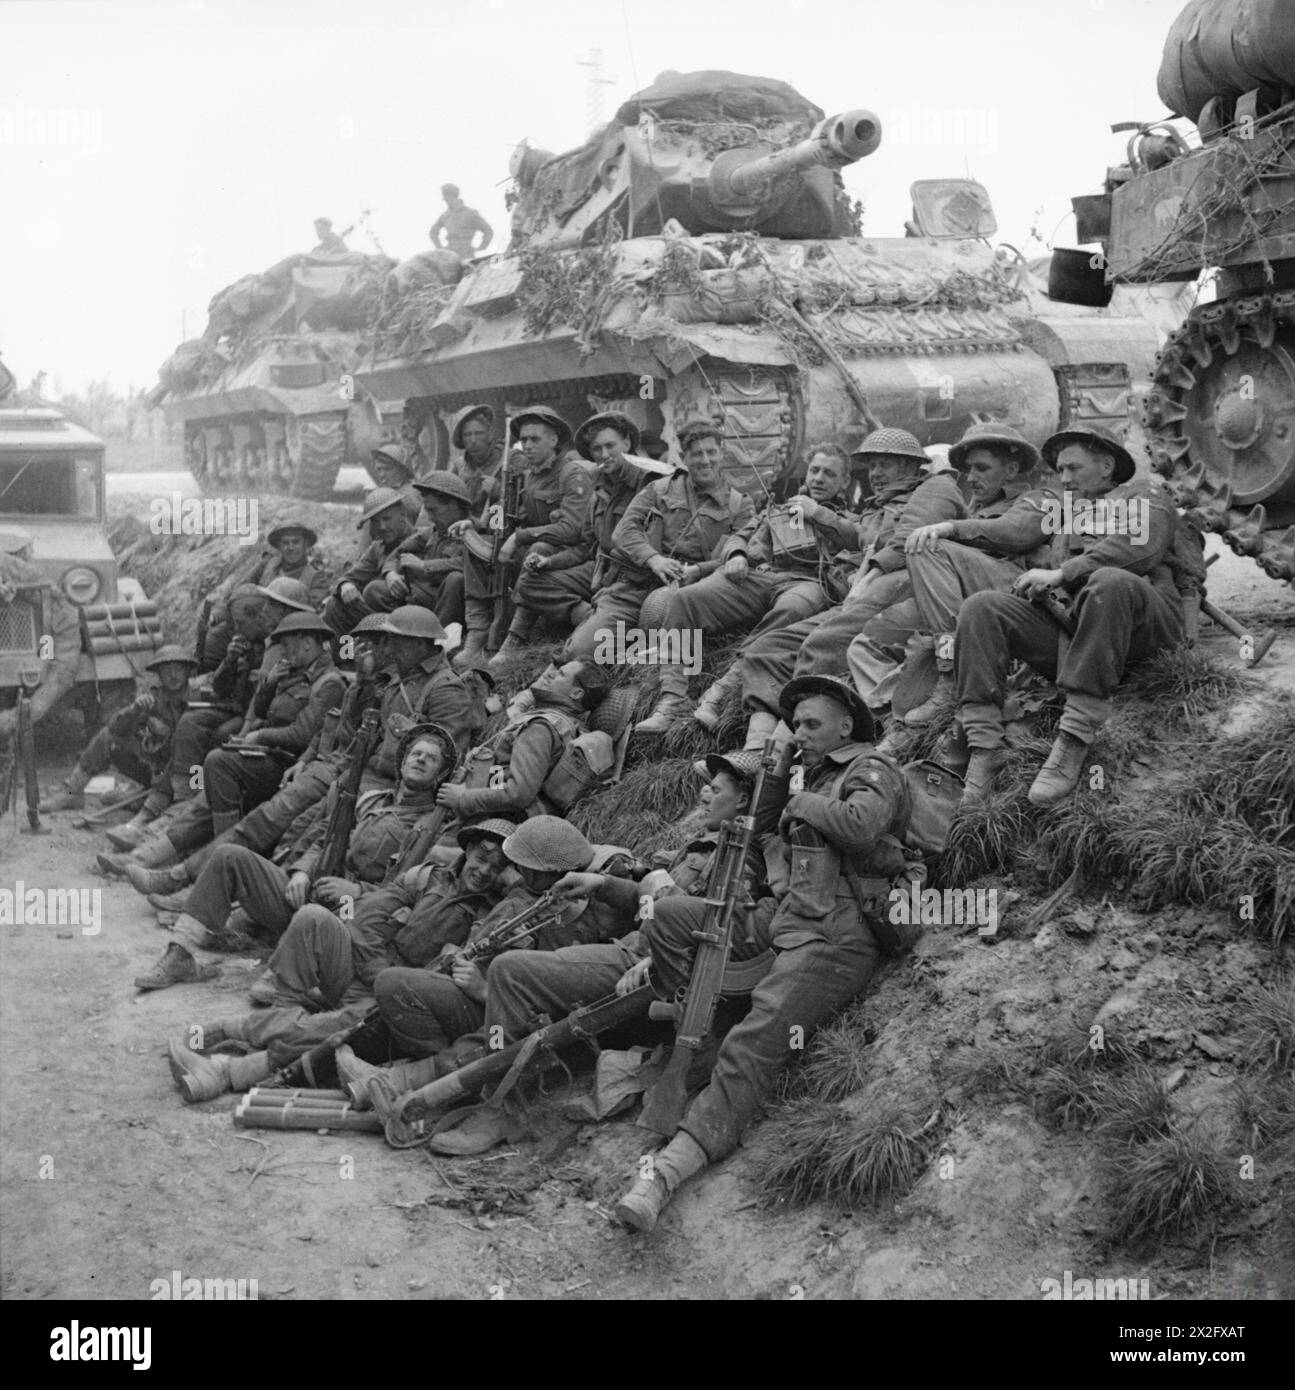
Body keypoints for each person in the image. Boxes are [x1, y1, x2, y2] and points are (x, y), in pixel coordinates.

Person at [615, 675, 916, 1232]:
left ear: (846, 726)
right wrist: (779, 769)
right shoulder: (814, 773)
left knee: (757, 1039)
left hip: (836, 934)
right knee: (680, 924)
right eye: (794, 723)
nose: (800, 733)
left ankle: (666, 1171)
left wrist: (800, 796)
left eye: (811, 724)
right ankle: (696, 1032)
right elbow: (760, 831)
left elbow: (861, 824)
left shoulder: (871, 769)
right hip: (790, 923)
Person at [162, 819, 515, 1102]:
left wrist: (390, 983)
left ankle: (233, 1041)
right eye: (481, 859)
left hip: (393, 999)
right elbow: (365, 922)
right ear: (467, 850)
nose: (483, 871)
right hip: (367, 969)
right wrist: (381, 972)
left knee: (337, 1026)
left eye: (496, 867)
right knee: (313, 917)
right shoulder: (429, 876)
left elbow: (442, 980)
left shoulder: (491, 913)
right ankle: (269, 1024)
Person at [954, 425, 1194, 806]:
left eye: (1073, 468)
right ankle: (985, 748)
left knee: (1109, 580)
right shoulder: (1068, 515)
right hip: (1082, 637)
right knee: (982, 608)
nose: (1064, 478)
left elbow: (1140, 547)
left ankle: (1074, 738)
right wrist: (1040, 587)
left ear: (1106, 465)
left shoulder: (1145, 495)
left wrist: (1063, 573)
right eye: (1059, 470)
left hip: (1146, 630)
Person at [133, 724, 460, 991]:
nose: (419, 760)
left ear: (441, 775)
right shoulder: (371, 802)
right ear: (401, 764)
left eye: (430, 759)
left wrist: (358, 893)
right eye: (415, 753)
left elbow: (415, 894)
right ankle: (180, 954)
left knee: (318, 918)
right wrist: (302, 870)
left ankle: (285, 977)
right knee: (229, 855)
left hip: (356, 917)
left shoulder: (434, 828)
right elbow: (324, 839)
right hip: (310, 892)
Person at [336, 817, 636, 1098]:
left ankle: (407, 1080)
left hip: (510, 1014)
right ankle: (402, 1072)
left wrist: (483, 990)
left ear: (531, 870)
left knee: (395, 985)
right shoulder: (585, 902)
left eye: (517, 864)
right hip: (506, 1007)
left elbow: (528, 992)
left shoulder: (528, 908)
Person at [730, 427, 965, 749]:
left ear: (912, 468)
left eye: (886, 464)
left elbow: (893, 543)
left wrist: (825, 521)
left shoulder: (926, 495)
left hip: (893, 594)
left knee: (820, 645)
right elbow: (859, 536)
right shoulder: (873, 506)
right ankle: (755, 747)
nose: (876, 473)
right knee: (768, 649)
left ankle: (782, 753)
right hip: (855, 596)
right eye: (872, 466)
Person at [634, 441, 862, 734]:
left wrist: (817, 513)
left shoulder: (854, 519)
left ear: (845, 482)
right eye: (814, 470)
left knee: (792, 609)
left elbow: (857, 540)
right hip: (761, 576)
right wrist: (737, 555)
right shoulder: (780, 507)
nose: (818, 478)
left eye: (829, 474)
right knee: (685, 600)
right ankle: (671, 699)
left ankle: (721, 690)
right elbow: (739, 535)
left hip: (808, 584)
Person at [845, 422, 1056, 730]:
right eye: (969, 469)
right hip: (957, 602)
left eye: (982, 468)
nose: (971, 478)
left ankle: (949, 676)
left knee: (924, 546)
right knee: (866, 644)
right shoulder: (971, 511)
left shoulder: (1041, 499)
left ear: (1011, 470)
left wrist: (951, 528)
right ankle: (895, 723)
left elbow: (1018, 533)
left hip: (1008, 595)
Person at [566, 419, 757, 666]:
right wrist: (654, 559)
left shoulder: (740, 505)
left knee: (675, 663)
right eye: (697, 454)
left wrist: (698, 571)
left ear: (722, 454)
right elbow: (624, 531)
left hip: (694, 596)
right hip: (636, 587)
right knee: (582, 651)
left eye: (711, 452)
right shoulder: (658, 489)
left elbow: (739, 554)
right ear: (683, 457)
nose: (705, 460)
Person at [492, 411, 666, 664]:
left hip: (636, 580)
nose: (604, 455)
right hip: (600, 572)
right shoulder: (598, 492)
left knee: (576, 654)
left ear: (627, 444)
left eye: (610, 446)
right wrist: (548, 563)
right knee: (531, 582)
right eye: (597, 449)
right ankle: (588, 618)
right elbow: (585, 547)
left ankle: (597, 628)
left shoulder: (650, 483)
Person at [448, 406, 593, 663]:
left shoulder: (571, 474)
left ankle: (515, 638)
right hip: (539, 544)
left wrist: (520, 537)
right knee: (478, 548)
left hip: (573, 552)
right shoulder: (529, 476)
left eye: (534, 439)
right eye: (523, 439)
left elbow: (572, 529)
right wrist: (478, 527)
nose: (526, 445)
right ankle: (477, 635)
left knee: (537, 550)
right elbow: (514, 515)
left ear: (554, 440)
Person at [434, 657, 611, 825]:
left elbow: (518, 793)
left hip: (499, 821)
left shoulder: (540, 728)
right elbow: (503, 770)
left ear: (576, 693)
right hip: (493, 815)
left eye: (561, 674)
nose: (551, 674)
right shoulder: (569, 725)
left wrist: (464, 797)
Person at [44, 644, 197, 814]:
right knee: (108, 738)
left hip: (189, 775)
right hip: (158, 772)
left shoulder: (198, 696)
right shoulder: (155, 698)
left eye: (177, 669)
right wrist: (134, 710)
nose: (173, 675)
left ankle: (144, 800)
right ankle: (72, 791)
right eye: (167, 670)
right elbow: (116, 728)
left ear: (187, 671)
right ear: (159, 675)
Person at [362, 471, 470, 625]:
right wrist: (390, 573)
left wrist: (424, 566)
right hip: (421, 596)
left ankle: (436, 642)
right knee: (375, 590)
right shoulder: (432, 532)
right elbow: (397, 553)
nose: (430, 517)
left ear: (452, 506)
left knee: (456, 579)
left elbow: (468, 563)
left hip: (449, 604)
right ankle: (399, 636)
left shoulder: (475, 532)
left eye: (433, 510)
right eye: (427, 510)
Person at [323, 488, 418, 634]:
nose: (382, 527)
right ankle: (346, 654)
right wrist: (345, 584)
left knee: (373, 590)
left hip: (411, 620)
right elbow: (351, 575)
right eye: (375, 521)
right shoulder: (378, 547)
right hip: (381, 620)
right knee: (335, 605)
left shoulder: (421, 540)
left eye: (387, 519)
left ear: (402, 514)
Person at [449, 404, 503, 509]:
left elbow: (524, 503)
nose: (473, 440)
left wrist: (499, 491)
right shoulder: (459, 466)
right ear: (462, 440)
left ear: (490, 435)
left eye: (479, 433)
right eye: (467, 435)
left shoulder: (509, 459)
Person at [429, 184, 493, 261]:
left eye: (446, 198)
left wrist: (481, 248)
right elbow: (433, 232)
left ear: (452, 196)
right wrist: (440, 247)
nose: (445, 201)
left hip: (466, 253)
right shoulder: (445, 215)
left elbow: (488, 231)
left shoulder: (470, 213)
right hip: (449, 254)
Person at [366, 441, 424, 523]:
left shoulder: (412, 492)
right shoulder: (386, 491)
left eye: (387, 469)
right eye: (379, 470)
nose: (381, 474)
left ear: (402, 470)